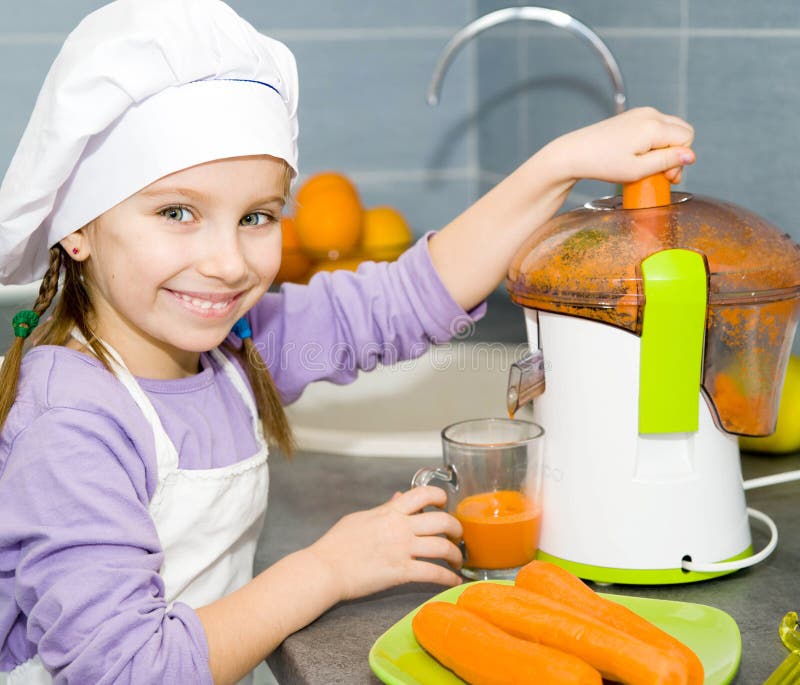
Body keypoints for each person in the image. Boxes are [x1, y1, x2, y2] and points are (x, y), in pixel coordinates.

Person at [0, 1, 695, 683]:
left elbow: (404, 300)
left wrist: (558, 163)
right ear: (79, 227)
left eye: (256, 216)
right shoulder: (72, 425)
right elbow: (129, 669)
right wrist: (328, 567)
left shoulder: (244, 348)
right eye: (177, 212)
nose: (228, 262)